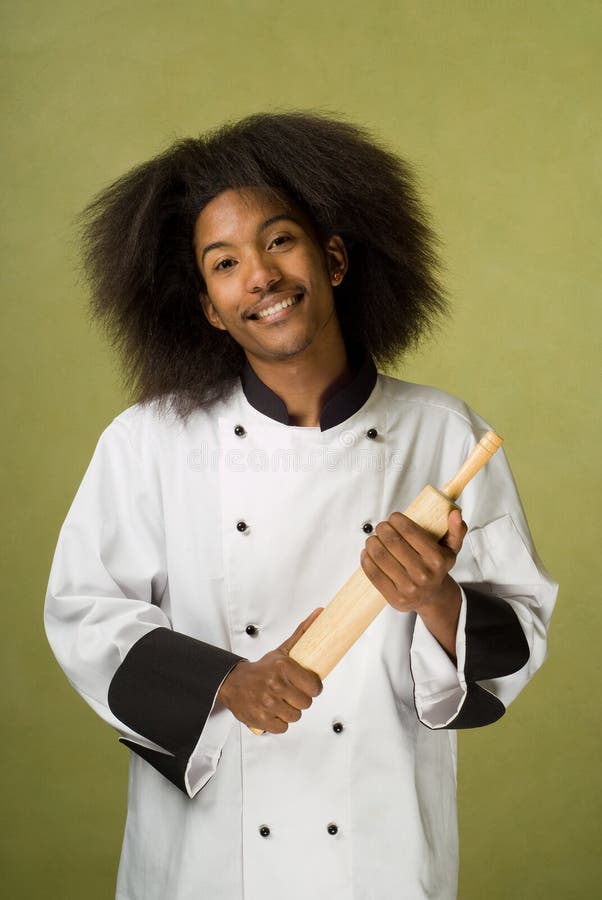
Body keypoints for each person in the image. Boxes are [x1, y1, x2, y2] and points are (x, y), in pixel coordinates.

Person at [45, 112, 557, 900]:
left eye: (279, 241)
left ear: (334, 259)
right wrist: (228, 683)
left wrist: (436, 599)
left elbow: (517, 631)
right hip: (207, 855)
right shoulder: (148, 443)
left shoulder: (444, 434)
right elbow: (84, 615)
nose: (260, 276)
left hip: (379, 845)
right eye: (225, 263)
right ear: (211, 307)